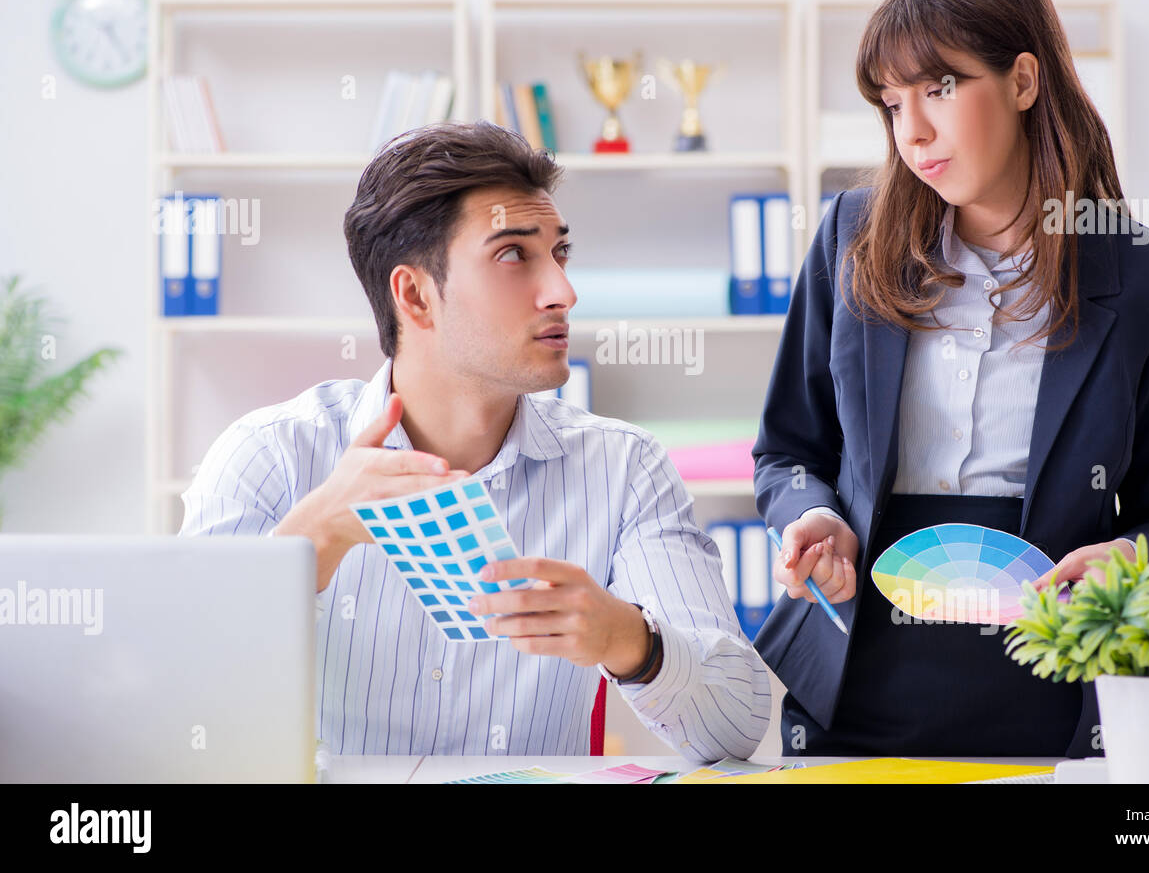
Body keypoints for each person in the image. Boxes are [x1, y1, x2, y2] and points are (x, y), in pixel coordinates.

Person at [179, 120, 769, 760]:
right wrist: (312, 542)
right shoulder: (270, 455)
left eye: (560, 253)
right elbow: (181, 710)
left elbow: (737, 728)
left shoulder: (625, 468)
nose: (563, 292)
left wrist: (633, 642)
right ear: (415, 295)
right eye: (514, 255)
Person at [753, 0, 1149, 758]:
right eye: (892, 103)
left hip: (1054, 682)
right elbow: (789, 448)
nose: (913, 130)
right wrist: (817, 518)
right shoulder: (851, 238)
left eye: (940, 87)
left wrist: (1126, 557)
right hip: (855, 670)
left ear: (1025, 81)